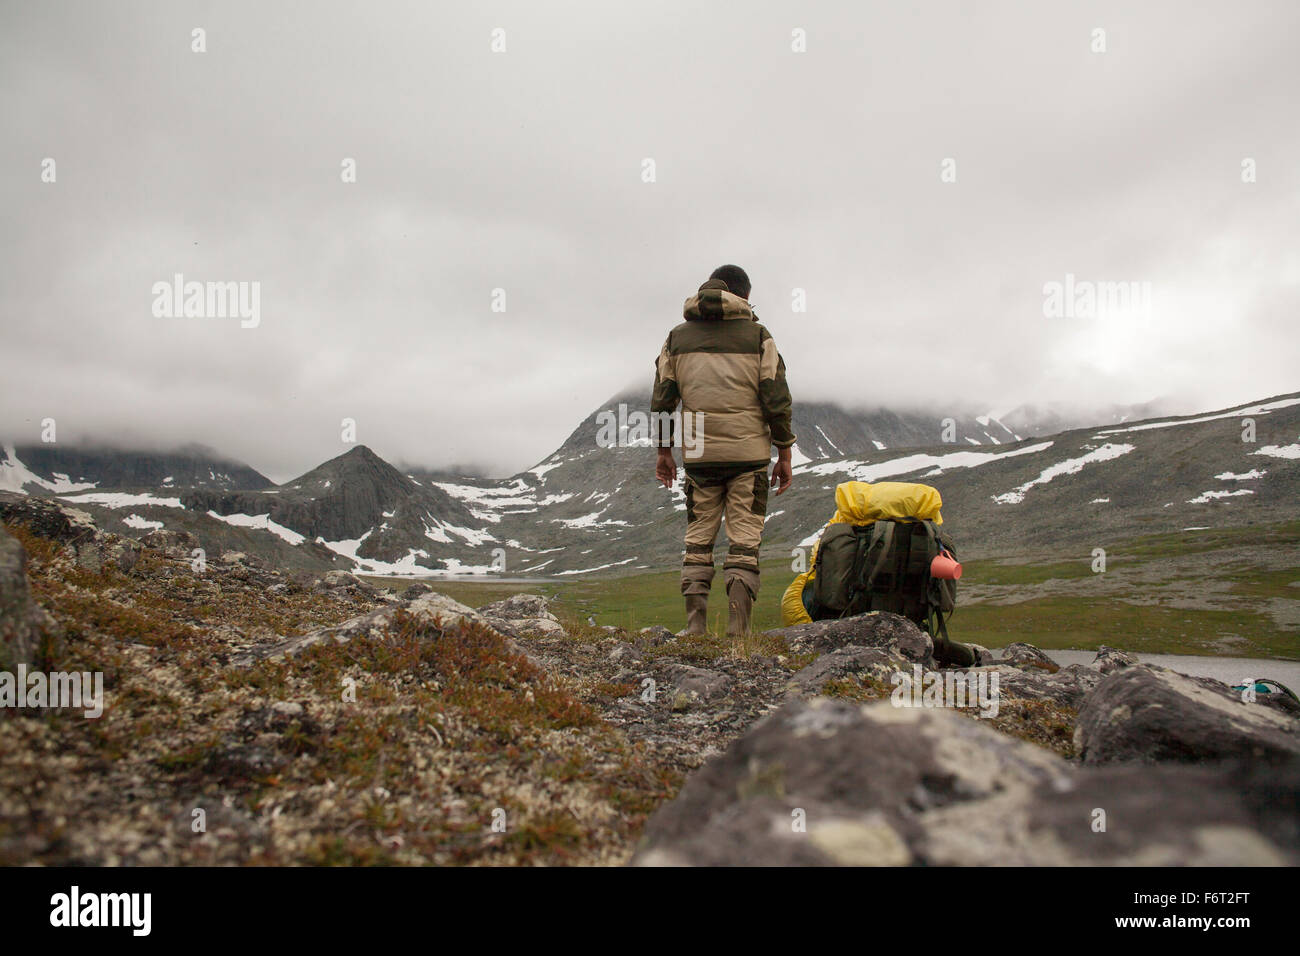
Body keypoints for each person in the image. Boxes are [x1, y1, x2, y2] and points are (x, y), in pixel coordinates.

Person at [652, 264, 795, 637]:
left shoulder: (676, 339)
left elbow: (664, 400)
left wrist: (665, 453)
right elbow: (776, 399)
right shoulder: (759, 336)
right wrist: (785, 455)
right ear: (744, 296)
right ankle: (738, 631)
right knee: (744, 541)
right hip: (749, 458)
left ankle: (695, 628)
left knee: (698, 538)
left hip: (700, 457)